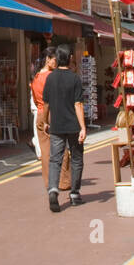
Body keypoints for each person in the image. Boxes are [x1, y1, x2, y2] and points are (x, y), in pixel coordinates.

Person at [42, 46, 87, 212]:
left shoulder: (50, 78)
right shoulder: (74, 79)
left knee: (55, 159)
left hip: (56, 126)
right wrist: (83, 127)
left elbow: (46, 104)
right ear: (69, 59)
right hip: (73, 126)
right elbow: (78, 104)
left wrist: (46, 121)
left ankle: (53, 189)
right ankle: (74, 194)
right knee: (76, 158)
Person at [30, 47, 71, 192]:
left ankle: (50, 183)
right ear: (48, 59)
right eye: (55, 59)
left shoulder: (35, 77)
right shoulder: (51, 77)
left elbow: (35, 100)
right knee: (62, 147)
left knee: (46, 151)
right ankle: (64, 181)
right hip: (53, 113)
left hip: (40, 115)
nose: (57, 62)